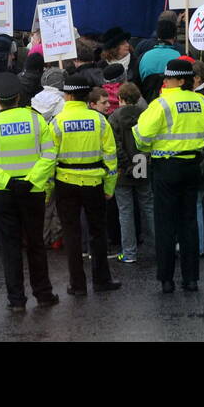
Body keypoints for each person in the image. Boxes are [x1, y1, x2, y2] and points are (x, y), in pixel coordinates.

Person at [132, 58, 204, 293]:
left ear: (181, 80)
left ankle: (166, 279)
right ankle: (191, 279)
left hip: (166, 167)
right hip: (192, 165)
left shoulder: (161, 104)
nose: (165, 81)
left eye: (169, 78)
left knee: (165, 223)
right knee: (189, 222)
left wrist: (148, 143)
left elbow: (142, 137)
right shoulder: (201, 103)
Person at [0, 72, 59, 309]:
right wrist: (31, 179)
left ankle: (16, 300)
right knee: (35, 244)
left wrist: (8, 181)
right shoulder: (36, 120)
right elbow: (49, 154)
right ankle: (43, 294)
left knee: (10, 247)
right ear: (20, 97)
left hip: (3, 192)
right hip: (33, 190)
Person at [50, 75, 121, 295]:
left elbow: (49, 159)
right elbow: (111, 156)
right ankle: (101, 281)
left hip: (65, 182)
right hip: (94, 182)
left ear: (68, 95)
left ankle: (77, 285)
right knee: (98, 232)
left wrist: (47, 190)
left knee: (72, 235)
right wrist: (109, 187)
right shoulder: (100, 120)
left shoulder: (57, 122)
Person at [111, 82, 154, 261]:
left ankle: (129, 253)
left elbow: (115, 145)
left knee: (125, 211)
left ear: (120, 99)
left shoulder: (113, 117)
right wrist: (139, 163)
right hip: (142, 165)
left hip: (122, 171)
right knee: (149, 207)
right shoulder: (146, 115)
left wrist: (126, 164)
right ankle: (160, 246)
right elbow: (149, 142)